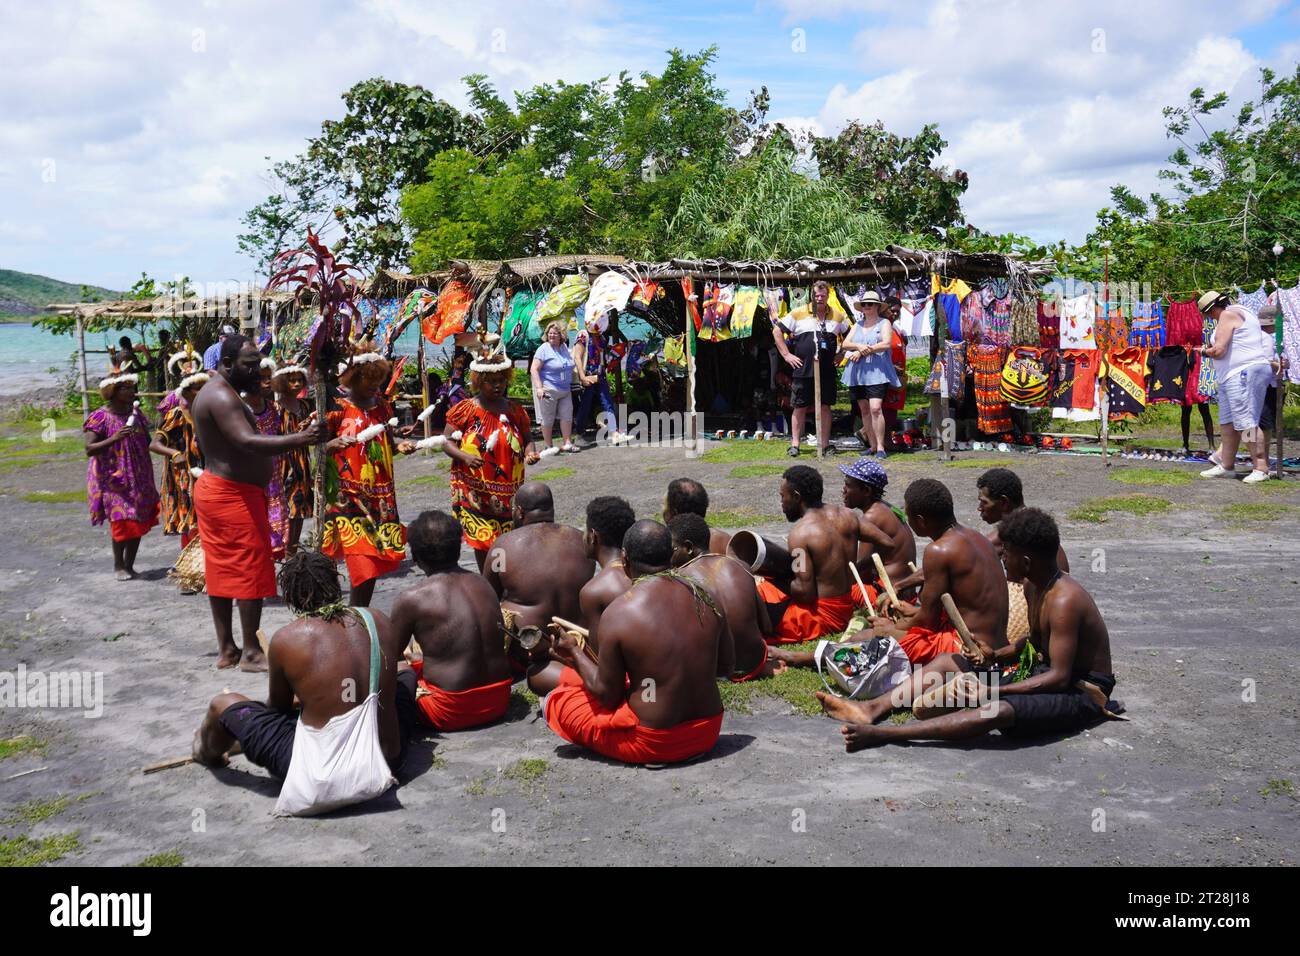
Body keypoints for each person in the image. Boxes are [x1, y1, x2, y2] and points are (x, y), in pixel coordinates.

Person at [818, 508, 1119, 750]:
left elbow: (1059, 677)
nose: (1002, 559)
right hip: (1042, 675)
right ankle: (871, 709)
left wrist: (993, 689)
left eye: (1007, 553)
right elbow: (1035, 642)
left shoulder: (1065, 600)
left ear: (1025, 561)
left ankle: (888, 735)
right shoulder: (1032, 585)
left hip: (1080, 693)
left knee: (997, 709)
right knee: (952, 662)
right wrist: (997, 654)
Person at [192, 550, 415, 814]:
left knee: (223, 703)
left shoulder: (288, 638)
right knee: (404, 672)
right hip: (388, 757)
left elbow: (278, 709)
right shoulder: (376, 619)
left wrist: (309, 697)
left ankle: (205, 752)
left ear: (292, 597)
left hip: (322, 776)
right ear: (335, 584)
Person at [542, 520, 725, 765]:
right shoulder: (705, 594)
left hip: (656, 742)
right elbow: (726, 665)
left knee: (558, 701)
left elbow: (608, 696)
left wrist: (574, 652)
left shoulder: (619, 612)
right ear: (671, 556)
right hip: (709, 731)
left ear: (625, 560)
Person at [191, 334, 322, 670]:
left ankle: (228, 649)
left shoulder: (223, 392)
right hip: (230, 494)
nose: (257, 370)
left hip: (224, 491)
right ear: (227, 364)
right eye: (249, 365)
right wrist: (301, 439)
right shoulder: (221, 396)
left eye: (257, 363)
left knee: (221, 569)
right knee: (248, 567)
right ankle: (249, 651)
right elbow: (246, 441)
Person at [390, 511, 514, 732]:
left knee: (400, 668)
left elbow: (388, 657)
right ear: (458, 549)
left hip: (450, 711)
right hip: (499, 699)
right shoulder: (482, 584)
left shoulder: (412, 598)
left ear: (416, 558)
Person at [865, 478, 1009, 667]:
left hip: (969, 649)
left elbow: (927, 623)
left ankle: (819, 657)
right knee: (873, 635)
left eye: (908, 516)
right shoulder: (977, 537)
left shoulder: (938, 550)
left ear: (920, 521)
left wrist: (892, 627)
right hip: (998, 647)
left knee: (872, 636)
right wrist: (915, 611)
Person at [321, 344, 417, 606]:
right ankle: (333, 605)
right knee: (358, 552)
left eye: (378, 378)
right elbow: (316, 447)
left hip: (381, 494)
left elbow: (387, 442)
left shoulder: (383, 407)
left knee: (374, 554)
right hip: (346, 494)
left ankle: (359, 610)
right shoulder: (336, 408)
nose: (375, 384)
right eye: (368, 379)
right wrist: (331, 445)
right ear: (352, 379)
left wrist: (399, 446)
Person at [754, 465, 887, 644]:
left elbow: (804, 593)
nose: (782, 503)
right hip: (845, 608)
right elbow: (887, 541)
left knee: (754, 603)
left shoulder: (800, 534)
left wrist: (774, 575)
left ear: (796, 496)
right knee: (765, 589)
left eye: (782, 496)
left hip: (822, 617)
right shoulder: (848, 515)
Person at [442, 337, 540, 570]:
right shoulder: (466, 409)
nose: (497, 386)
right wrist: (465, 457)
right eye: (491, 382)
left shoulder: (515, 410)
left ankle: (501, 580)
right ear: (478, 382)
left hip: (509, 489)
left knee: (506, 541)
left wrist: (530, 453)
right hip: (477, 488)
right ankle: (491, 584)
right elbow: (445, 441)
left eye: (501, 381)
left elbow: (527, 439)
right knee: (485, 541)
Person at [481, 482, 594, 680]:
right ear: (551, 509)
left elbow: (487, 601)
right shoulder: (581, 540)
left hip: (529, 650)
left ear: (519, 512)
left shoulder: (503, 546)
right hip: (578, 643)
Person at [668, 514, 778, 682]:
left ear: (688, 548)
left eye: (672, 549)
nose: (669, 556)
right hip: (755, 663)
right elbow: (767, 626)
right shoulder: (741, 565)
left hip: (715, 670)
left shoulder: (679, 579)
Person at [84, 368, 160, 581]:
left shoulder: (136, 415)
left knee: (137, 518)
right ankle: (118, 564)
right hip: (113, 478)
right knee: (121, 519)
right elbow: (89, 448)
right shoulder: (100, 417)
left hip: (139, 475)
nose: (131, 392)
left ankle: (129, 565)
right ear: (113, 392)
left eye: (131, 388)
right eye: (125, 388)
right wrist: (115, 438)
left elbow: (148, 441)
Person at [1197, 290, 1275, 483]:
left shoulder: (1227, 315)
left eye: (1208, 314)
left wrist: (1203, 352)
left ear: (1213, 309)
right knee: (1228, 422)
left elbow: (1219, 350)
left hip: (1243, 373)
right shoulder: (1243, 312)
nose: (1209, 318)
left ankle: (1261, 467)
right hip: (1232, 375)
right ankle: (1226, 465)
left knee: (1245, 421)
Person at [772, 280, 849, 457]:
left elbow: (850, 334)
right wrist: (786, 355)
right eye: (816, 295)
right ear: (812, 296)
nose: (819, 298)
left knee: (825, 406)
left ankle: (825, 444)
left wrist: (842, 354)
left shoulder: (837, 316)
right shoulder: (798, 313)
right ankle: (795, 445)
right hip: (803, 369)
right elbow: (777, 331)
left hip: (827, 370)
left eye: (823, 295)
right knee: (799, 406)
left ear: (828, 296)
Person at [149, 369, 207, 559]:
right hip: (182, 475)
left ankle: (207, 565)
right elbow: (155, 444)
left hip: (207, 472)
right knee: (189, 518)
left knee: (208, 518)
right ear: (187, 392)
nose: (203, 392)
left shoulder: (208, 412)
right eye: (198, 388)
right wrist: (174, 453)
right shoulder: (176, 415)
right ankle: (189, 567)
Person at [838, 457, 917, 597]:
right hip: (906, 591)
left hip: (890, 595)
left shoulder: (871, 517)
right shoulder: (886, 507)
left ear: (866, 491)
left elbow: (861, 573)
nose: (843, 490)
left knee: (833, 587)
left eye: (848, 485)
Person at [575, 495, 637, 653]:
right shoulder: (643, 571)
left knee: (540, 674)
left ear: (593, 536)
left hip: (625, 675)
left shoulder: (594, 591)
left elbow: (599, 659)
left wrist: (572, 649)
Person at [840, 291, 899, 458]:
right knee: (864, 409)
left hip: (877, 372)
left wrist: (865, 351)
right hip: (858, 372)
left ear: (877, 306)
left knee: (875, 408)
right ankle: (872, 445)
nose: (867, 307)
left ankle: (881, 447)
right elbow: (845, 344)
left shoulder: (885, 323)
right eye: (864, 304)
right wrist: (859, 347)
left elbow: (886, 344)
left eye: (870, 304)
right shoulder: (857, 324)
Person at [975, 467, 1069, 571]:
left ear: (1003, 503)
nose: (979, 508)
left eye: (984, 502)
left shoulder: (1006, 536)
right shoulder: (1037, 526)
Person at [245, 358, 289, 559]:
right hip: (251, 481)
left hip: (274, 481)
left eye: (267, 378)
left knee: (276, 538)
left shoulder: (274, 409)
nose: (265, 382)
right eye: (259, 379)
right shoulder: (240, 411)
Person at [271, 364, 313, 555]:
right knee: (287, 507)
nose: (296, 384)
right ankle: (285, 549)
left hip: (302, 463)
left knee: (299, 506)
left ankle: (293, 549)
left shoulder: (305, 406)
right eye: (291, 380)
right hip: (283, 463)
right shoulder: (276, 408)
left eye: (299, 380)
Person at [530, 321, 577, 453]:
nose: (551, 335)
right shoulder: (543, 349)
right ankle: (548, 446)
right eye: (549, 333)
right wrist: (539, 388)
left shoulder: (563, 348)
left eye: (554, 333)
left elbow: (570, 363)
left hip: (565, 389)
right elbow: (534, 369)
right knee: (548, 417)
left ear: (561, 335)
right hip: (549, 388)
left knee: (567, 415)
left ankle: (567, 443)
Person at [572, 313, 620, 439]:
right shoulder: (583, 335)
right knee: (585, 404)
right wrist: (582, 377)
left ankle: (614, 431)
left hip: (599, 375)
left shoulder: (602, 338)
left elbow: (602, 359)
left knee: (607, 401)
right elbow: (577, 356)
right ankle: (579, 430)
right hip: (587, 375)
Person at [662, 477, 731, 555]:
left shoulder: (667, 549)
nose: (662, 510)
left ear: (674, 512)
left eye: (663, 505)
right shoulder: (727, 542)